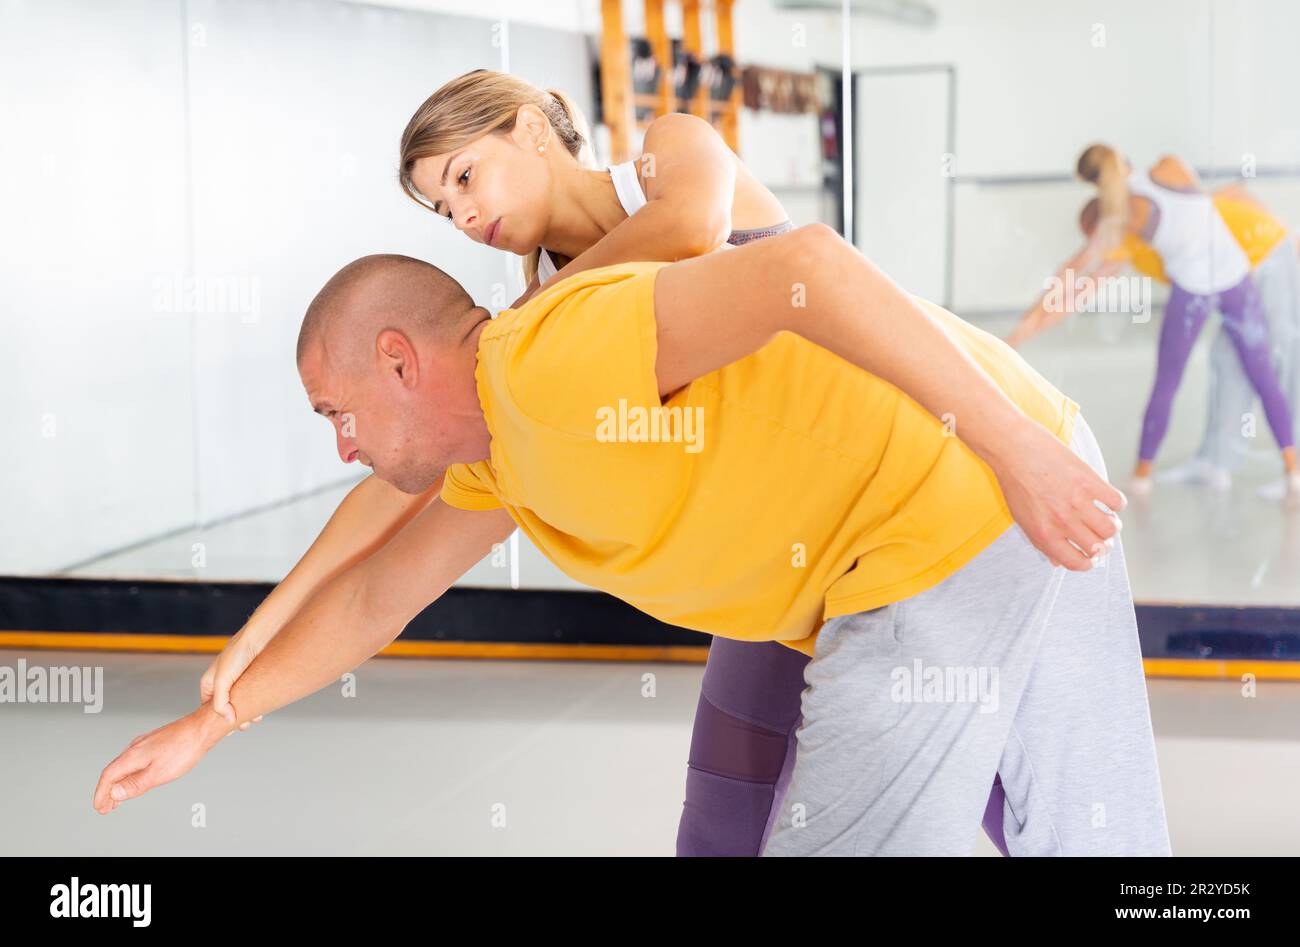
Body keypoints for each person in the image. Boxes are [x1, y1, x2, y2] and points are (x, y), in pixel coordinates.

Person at [95, 221, 1170, 856]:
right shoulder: (499, 452)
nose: (341, 447)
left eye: (337, 412)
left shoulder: (547, 361)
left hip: (958, 513)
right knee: (1100, 832)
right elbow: (377, 596)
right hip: (983, 485)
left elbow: (805, 264)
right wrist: (217, 721)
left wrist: (1020, 451)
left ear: (397, 358)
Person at [1008, 144, 1299, 500]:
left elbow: (1075, 277)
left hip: (1194, 291)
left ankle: (1141, 476)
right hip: (1237, 278)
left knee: (1167, 380)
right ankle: (1292, 472)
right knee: (1262, 373)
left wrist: (1026, 326)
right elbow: (1219, 199)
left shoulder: (1124, 222)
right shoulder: (1169, 166)